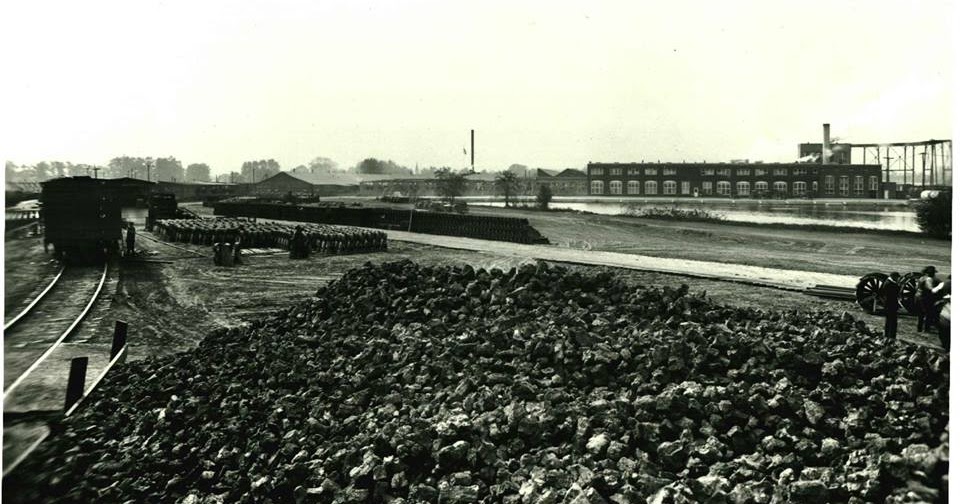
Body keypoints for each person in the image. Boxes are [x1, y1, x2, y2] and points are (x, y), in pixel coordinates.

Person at [916, 266, 945, 332]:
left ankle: (919, 328)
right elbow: (932, 290)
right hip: (925, 298)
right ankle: (926, 329)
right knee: (928, 313)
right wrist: (940, 286)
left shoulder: (921, 278)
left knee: (920, 314)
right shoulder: (929, 279)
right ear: (931, 273)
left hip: (918, 297)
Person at [879, 272, 901, 340]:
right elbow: (896, 293)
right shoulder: (890, 284)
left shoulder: (887, 282)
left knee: (889, 320)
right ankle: (891, 336)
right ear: (893, 277)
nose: (898, 279)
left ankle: (887, 335)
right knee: (892, 321)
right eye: (897, 278)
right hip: (891, 304)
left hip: (888, 304)